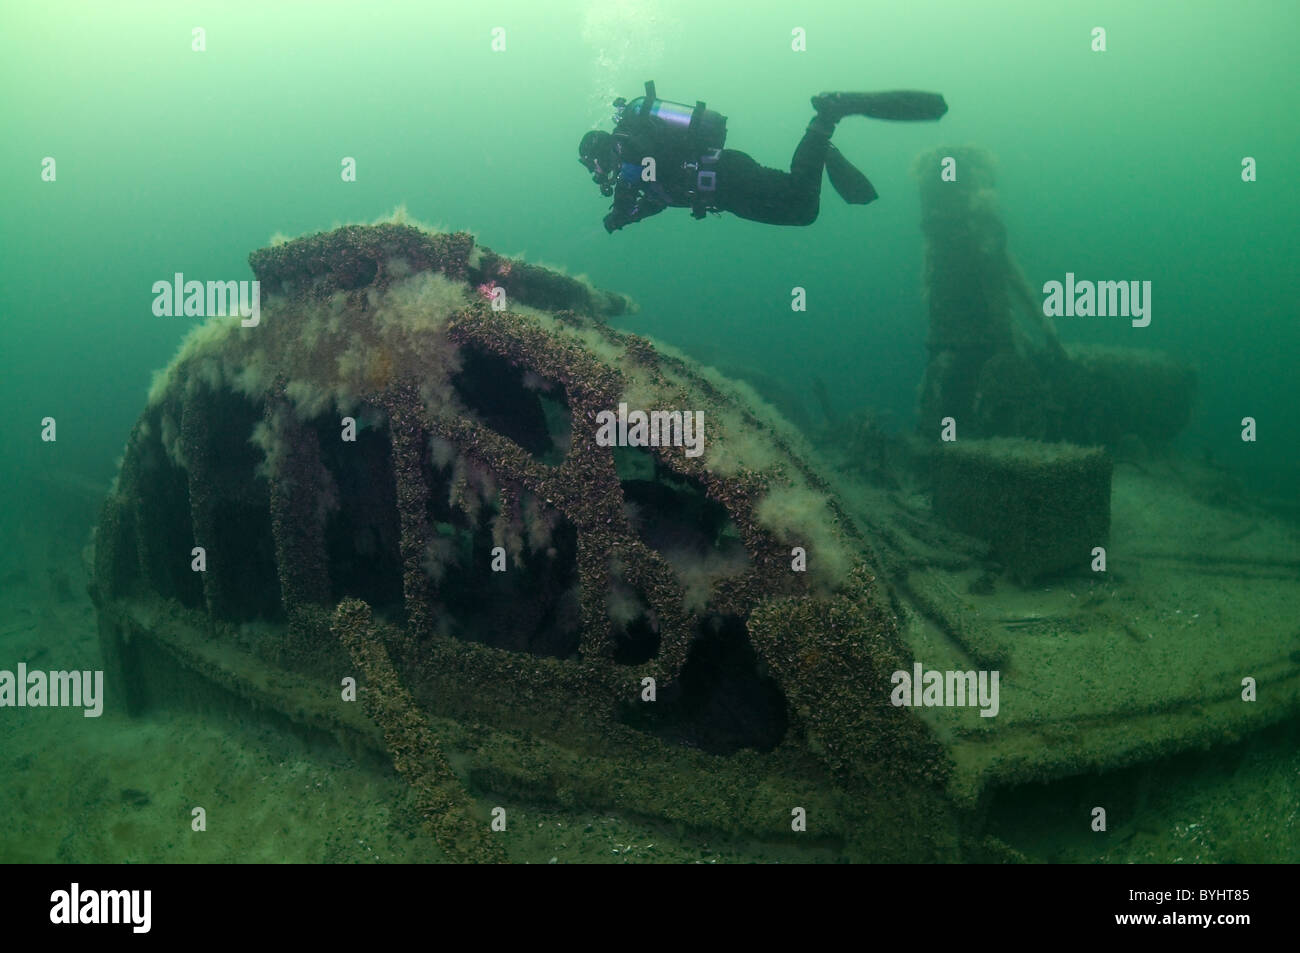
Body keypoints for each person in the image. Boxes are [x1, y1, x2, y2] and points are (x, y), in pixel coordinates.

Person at [578, 84, 948, 233]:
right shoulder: (633, 159)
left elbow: (640, 170)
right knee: (804, 213)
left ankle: (827, 117)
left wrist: (617, 212)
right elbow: (658, 198)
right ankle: (821, 141)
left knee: (800, 199)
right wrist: (628, 217)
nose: (597, 173)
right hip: (726, 192)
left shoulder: (627, 146)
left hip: (727, 174)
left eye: (593, 165)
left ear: (599, 150)